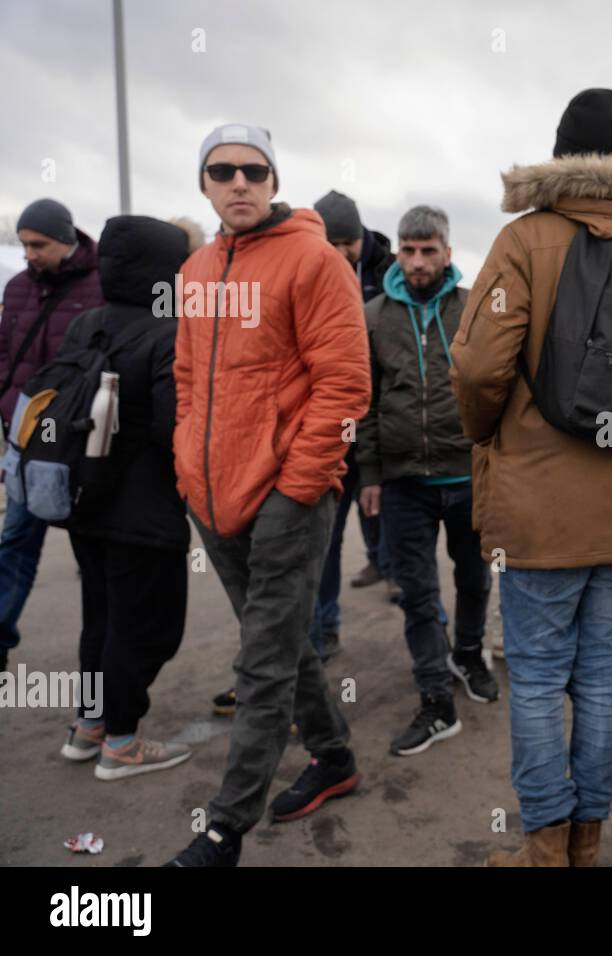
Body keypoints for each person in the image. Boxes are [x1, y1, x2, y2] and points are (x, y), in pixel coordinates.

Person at [451, 88, 612, 867]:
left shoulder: (525, 240)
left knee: (534, 678)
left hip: (537, 509)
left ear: (562, 150)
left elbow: (479, 368)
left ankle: (544, 847)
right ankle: (586, 845)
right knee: (598, 677)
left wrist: (490, 435)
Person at [165, 124, 371, 867]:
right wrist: (188, 466)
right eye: (222, 171)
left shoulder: (315, 261)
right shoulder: (194, 269)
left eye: (254, 170)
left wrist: (298, 487)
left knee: (261, 662)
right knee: (281, 645)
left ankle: (224, 830)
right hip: (212, 498)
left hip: (290, 498)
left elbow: (346, 386)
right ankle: (334, 757)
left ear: (274, 180)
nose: (239, 182)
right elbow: (187, 379)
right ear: (204, 184)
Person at [357, 204, 497, 757]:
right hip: (402, 481)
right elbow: (364, 400)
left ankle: (468, 653)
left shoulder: (473, 309)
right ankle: (436, 698)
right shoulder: (373, 316)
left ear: (447, 253)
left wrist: (494, 462)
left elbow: (495, 388)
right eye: (409, 251)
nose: (417, 261)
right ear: (397, 252)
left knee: (475, 578)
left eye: (428, 251)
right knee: (416, 592)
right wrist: (370, 472)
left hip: (467, 473)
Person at [57, 216, 194, 778]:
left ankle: (89, 726)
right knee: (146, 628)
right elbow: (171, 429)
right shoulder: (170, 332)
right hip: (145, 511)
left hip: (84, 501)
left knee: (101, 618)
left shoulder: (85, 324)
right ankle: (122, 742)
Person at [0, 199, 104, 674]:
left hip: (77, 445)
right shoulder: (18, 287)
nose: (29, 254)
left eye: (38, 244)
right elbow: (5, 352)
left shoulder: (102, 283)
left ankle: (99, 672)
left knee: (94, 555)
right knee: (16, 540)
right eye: (23, 245)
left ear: (66, 238)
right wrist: (9, 407)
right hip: (25, 440)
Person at [308, 190, 397, 661]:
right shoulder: (307, 274)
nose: (341, 252)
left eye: (349, 242)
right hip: (331, 433)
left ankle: (390, 570)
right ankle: (324, 628)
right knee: (324, 538)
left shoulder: (389, 274)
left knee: (384, 514)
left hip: (378, 428)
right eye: (332, 243)